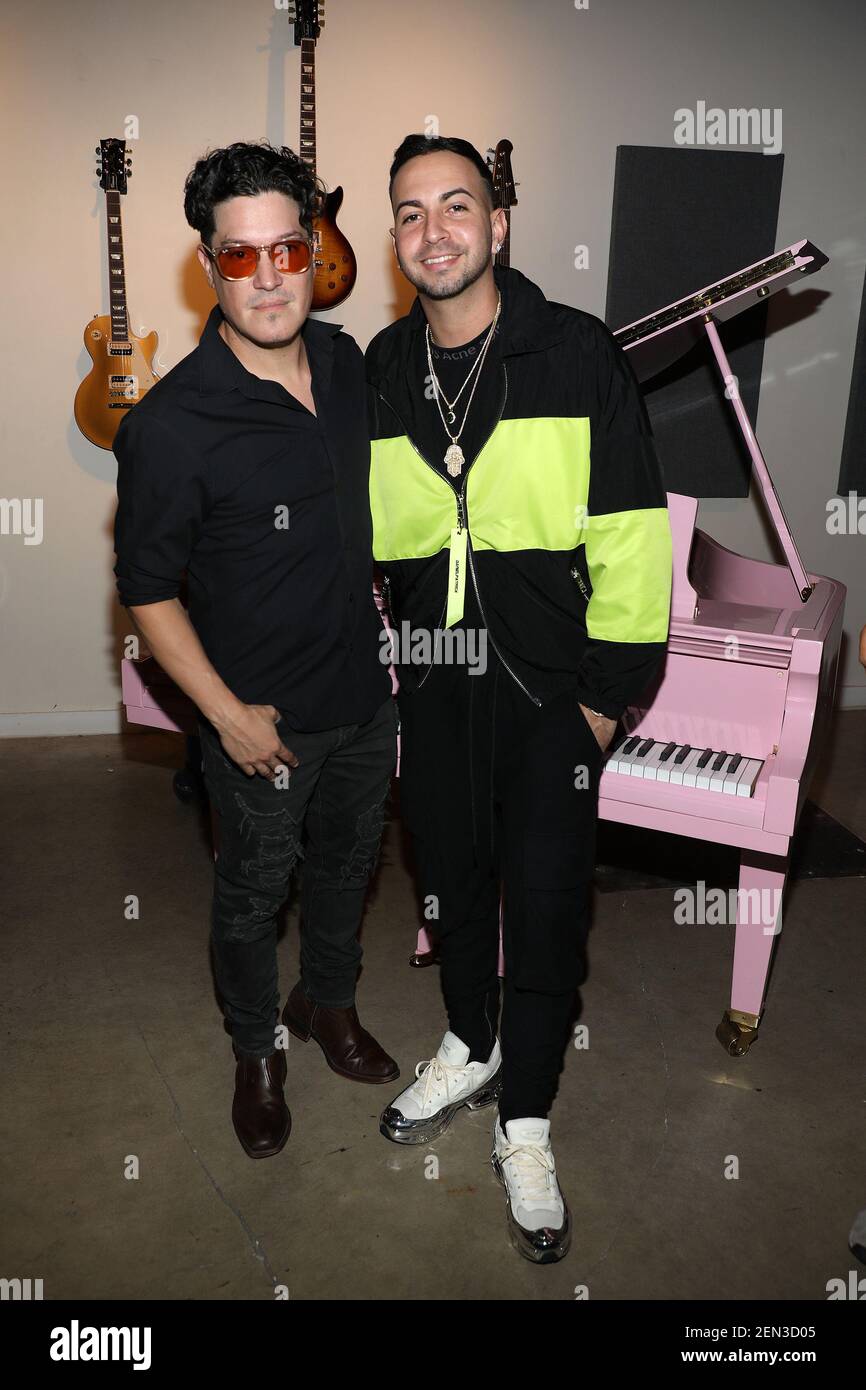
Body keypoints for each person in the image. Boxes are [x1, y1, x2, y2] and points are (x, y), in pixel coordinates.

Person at [366, 134, 673, 1262]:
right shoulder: (382, 367)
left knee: (544, 916)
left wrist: (602, 703)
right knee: (450, 889)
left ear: (497, 224)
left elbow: (634, 538)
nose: (434, 229)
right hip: (435, 689)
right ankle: (470, 1040)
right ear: (395, 240)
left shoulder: (576, 352)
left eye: (457, 205)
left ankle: (527, 1119)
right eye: (411, 212)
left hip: (553, 700)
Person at [113, 141, 398, 1161]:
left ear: (314, 251)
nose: (270, 276)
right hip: (259, 722)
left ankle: (325, 1003)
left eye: (289, 248)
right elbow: (146, 593)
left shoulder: (349, 366)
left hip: (364, 696)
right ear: (209, 265)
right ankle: (255, 1053)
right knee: (250, 894)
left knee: (349, 868)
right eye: (241, 256)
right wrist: (226, 718)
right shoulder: (171, 426)